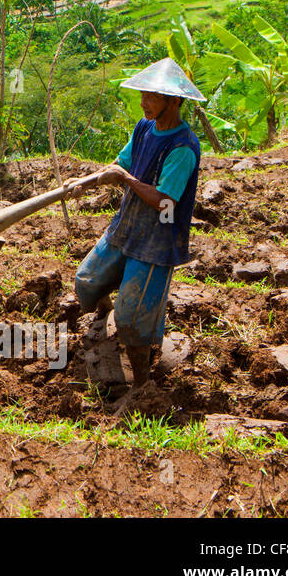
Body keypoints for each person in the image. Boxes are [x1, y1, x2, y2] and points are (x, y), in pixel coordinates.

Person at [63, 58, 205, 408]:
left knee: (133, 322)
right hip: (125, 228)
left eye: (151, 97)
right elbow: (121, 164)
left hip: (156, 242)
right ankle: (104, 323)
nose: (144, 103)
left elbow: (164, 201)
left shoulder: (182, 147)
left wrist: (125, 181)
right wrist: (85, 181)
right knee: (86, 281)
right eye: (143, 95)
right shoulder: (144, 128)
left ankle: (142, 385)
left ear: (173, 101)